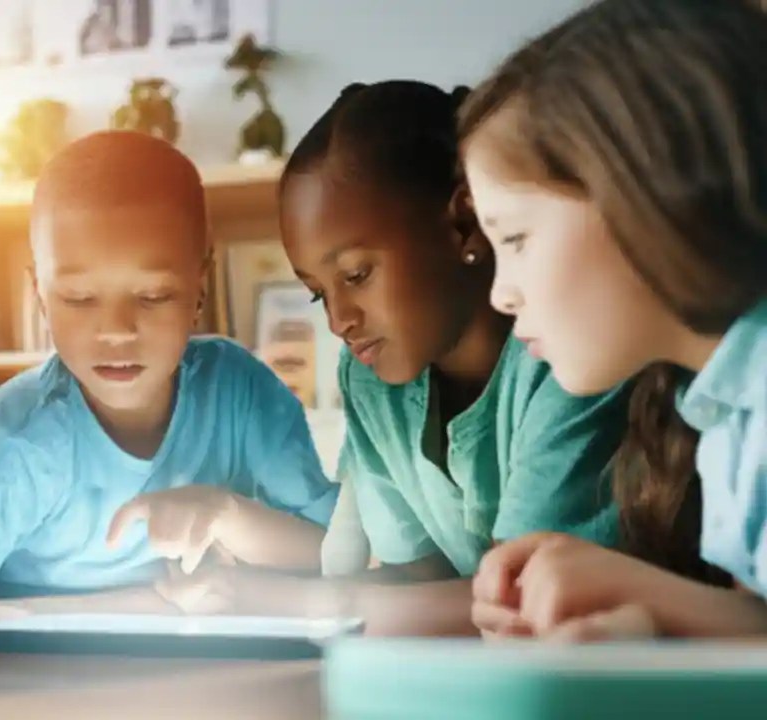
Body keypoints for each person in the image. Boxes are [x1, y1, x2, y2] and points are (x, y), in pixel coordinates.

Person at [159, 81, 629, 636]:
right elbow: (415, 577)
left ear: (464, 222)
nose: (338, 320)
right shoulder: (371, 383)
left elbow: (519, 602)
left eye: (357, 275)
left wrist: (278, 600)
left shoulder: (566, 359)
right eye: (318, 293)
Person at [0, 131, 337, 599]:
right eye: (79, 298)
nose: (116, 331)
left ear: (200, 288)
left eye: (152, 296)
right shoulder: (14, 448)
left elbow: (343, 552)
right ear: (40, 296)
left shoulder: (239, 394)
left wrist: (229, 516)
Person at [462, 0, 767, 640]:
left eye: (514, 238)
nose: (500, 295)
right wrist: (633, 620)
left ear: (646, 185)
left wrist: (650, 598)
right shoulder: (719, 415)